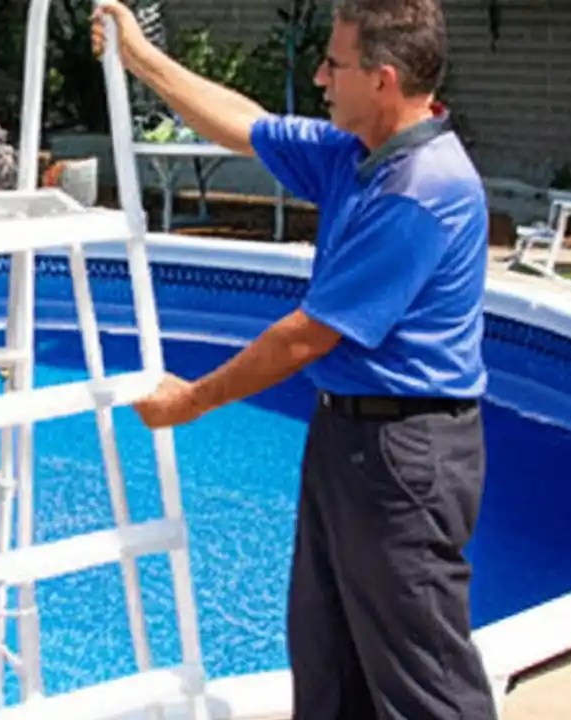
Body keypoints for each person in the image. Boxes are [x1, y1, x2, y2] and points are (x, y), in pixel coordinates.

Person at [92, 1, 499, 719]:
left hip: (406, 453)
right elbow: (242, 125)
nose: (318, 77)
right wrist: (138, 58)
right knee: (329, 656)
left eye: (334, 65)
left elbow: (306, 337)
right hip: (351, 438)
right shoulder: (357, 155)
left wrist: (189, 403)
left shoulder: (422, 192)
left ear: (382, 79)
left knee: (425, 684)